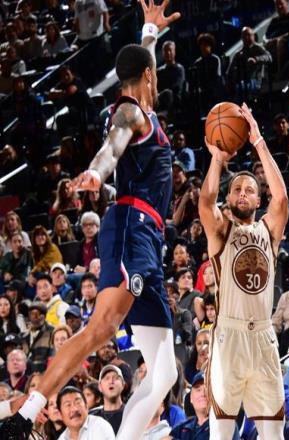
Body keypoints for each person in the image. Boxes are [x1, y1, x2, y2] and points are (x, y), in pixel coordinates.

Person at [0, 2, 182, 439]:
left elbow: (141, 75)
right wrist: (98, 173)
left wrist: (149, 32)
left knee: (165, 372)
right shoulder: (129, 112)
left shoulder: (143, 107)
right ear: (149, 76)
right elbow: (112, 146)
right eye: (152, 72)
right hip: (132, 229)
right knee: (101, 328)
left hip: (147, 238)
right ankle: (25, 416)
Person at [199, 103, 289, 439]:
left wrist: (258, 141)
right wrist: (217, 160)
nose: (242, 193)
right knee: (221, 434)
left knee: (274, 434)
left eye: (250, 190)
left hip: (263, 336)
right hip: (230, 335)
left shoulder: (269, 230)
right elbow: (205, 203)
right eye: (236, 189)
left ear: (257, 200)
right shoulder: (221, 231)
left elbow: (281, 199)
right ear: (229, 198)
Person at [90, 364, 125, 434]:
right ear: (100, 387)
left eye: (116, 378)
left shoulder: (132, 413)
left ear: (123, 385)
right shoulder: (91, 417)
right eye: (107, 378)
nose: (111, 381)